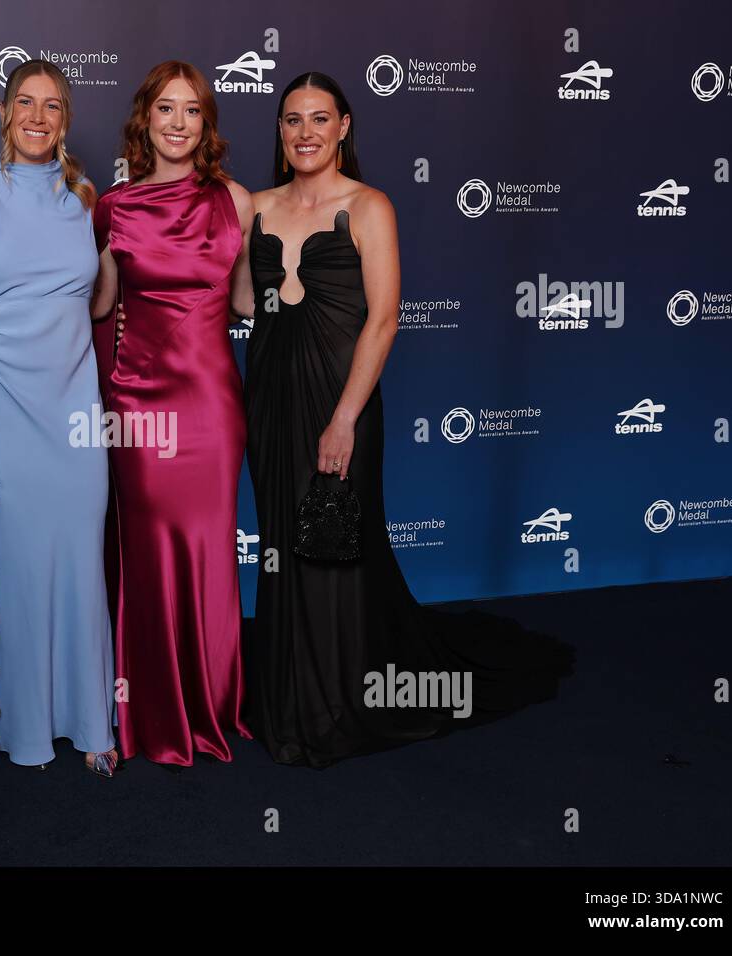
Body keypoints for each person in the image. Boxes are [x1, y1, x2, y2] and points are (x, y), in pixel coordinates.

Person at [232, 71, 575, 769]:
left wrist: (345, 419)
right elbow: (243, 302)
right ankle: (288, 701)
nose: (305, 133)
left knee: (338, 547)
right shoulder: (256, 206)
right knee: (282, 545)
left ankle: (340, 705)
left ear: (344, 127)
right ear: (280, 131)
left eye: (319, 119)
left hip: (341, 400)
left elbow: (384, 320)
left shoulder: (369, 206)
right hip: (271, 398)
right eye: (292, 120)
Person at [0, 60, 119, 775]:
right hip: (4, 410)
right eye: (25, 103)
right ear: (4, 111)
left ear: (66, 119)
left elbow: (97, 303)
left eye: (52, 106)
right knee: (15, 568)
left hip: (76, 412)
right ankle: (22, 725)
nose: (38, 117)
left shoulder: (83, 193)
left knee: (79, 560)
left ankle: (90, 721)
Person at [89, 61, 254, 766]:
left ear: (205, 124)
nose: (179, 123)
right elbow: (99, 306)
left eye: (192, 110)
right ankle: (145, 709)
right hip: (137, 400)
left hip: (212, 402)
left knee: (210, 548)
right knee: (147, 552)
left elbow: (247, 302)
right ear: (144, 120)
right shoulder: (114, 207)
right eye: (166, 109)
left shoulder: (236, 200)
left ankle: (210, 704)